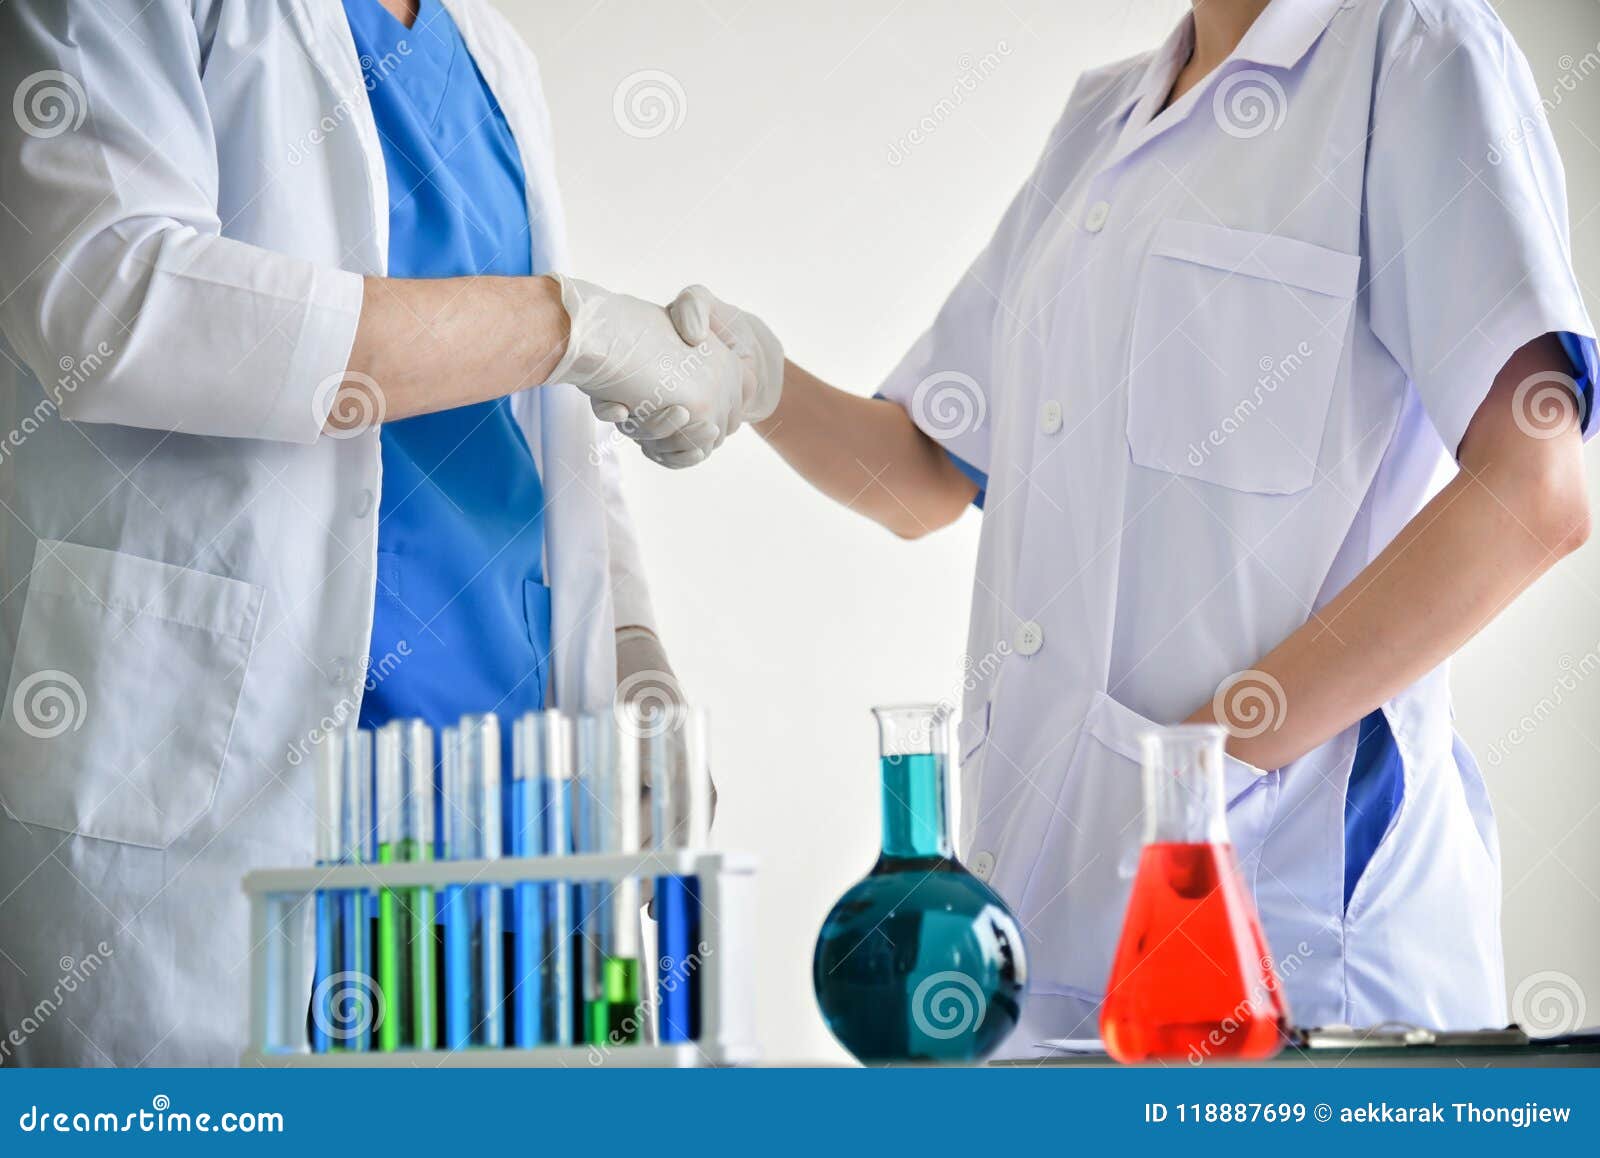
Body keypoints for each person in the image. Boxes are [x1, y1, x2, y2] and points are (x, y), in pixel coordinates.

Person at [674, 0, 1597, 1050]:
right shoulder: (1100, 120)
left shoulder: (1412, 51)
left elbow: (1531, 495)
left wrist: (1200, 771)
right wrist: (751, 379)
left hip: (1287, 939)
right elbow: (925, 471)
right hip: (1040, 931)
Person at [0, 0, 763, 1065]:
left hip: (508, 830)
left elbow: (529, 422)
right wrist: (565, 326)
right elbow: (111, 301)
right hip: (230, 823)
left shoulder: (492, 53)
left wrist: (628, 647)